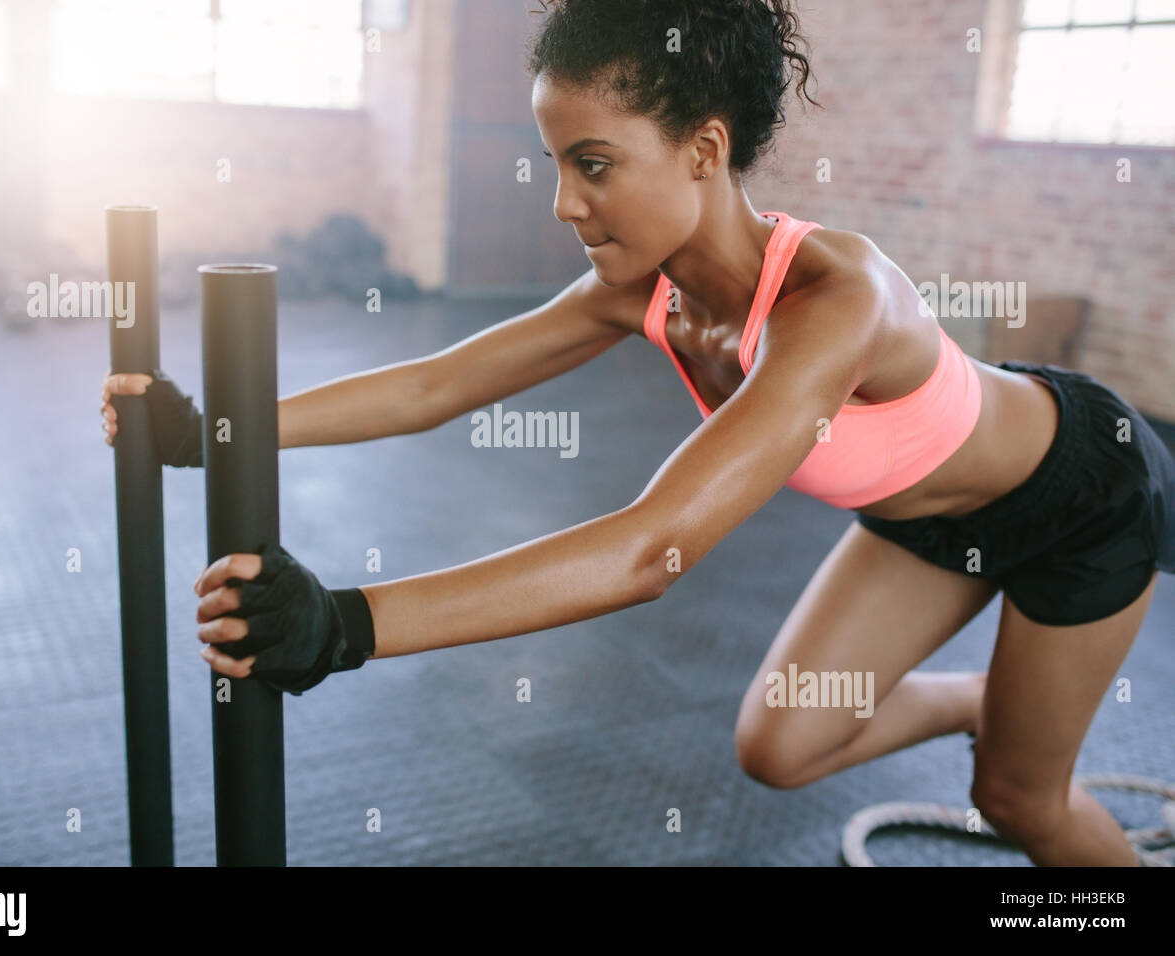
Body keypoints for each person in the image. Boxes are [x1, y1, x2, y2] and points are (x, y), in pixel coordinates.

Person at [100, 0, 1175, 866]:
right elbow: (437, 384)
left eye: (596, 163)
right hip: (922, 518)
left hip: (1079, 494)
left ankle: (1026, 743)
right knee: (780, 743)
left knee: (1020, 799)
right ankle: (997, 699)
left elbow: (650, 546)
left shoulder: (835, 298)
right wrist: (212, 429)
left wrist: (345, 625)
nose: (565, 202)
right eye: (555, 163)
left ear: (704, 149)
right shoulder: (637, 287)